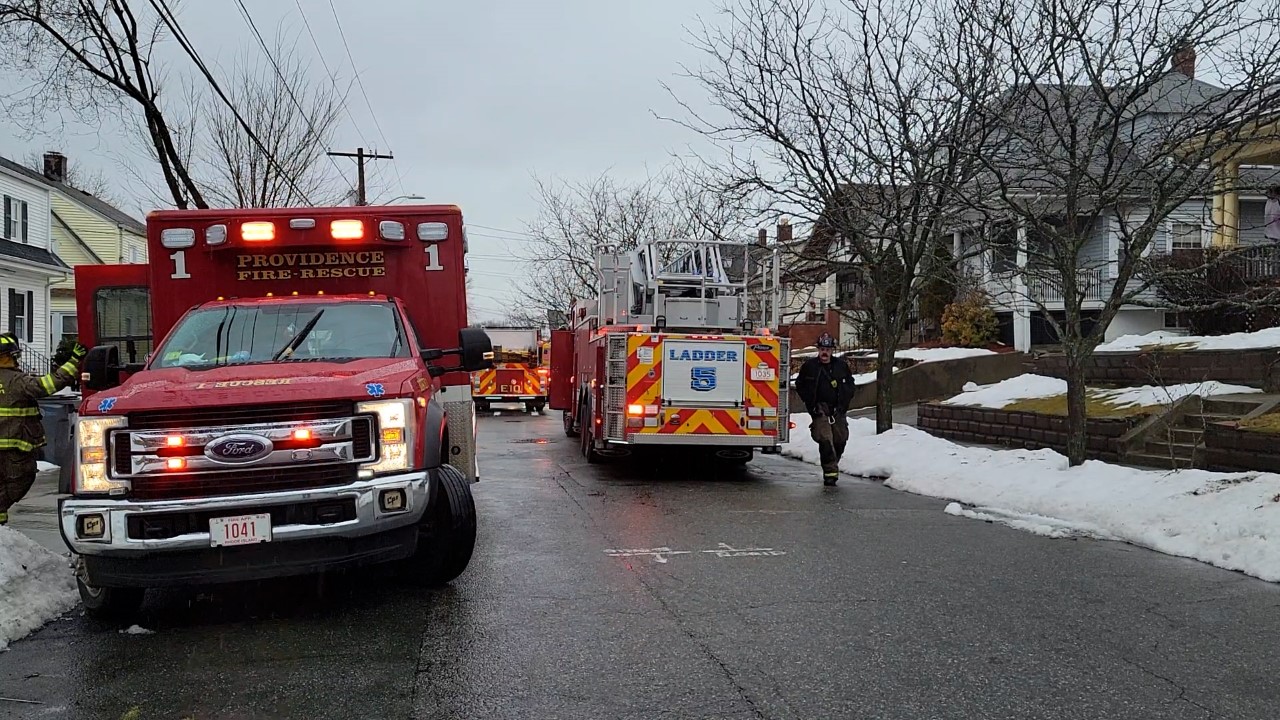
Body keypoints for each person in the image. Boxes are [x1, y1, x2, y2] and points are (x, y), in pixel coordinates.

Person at [0, 334, 85, 525]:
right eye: (13, 356)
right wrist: (73, 362)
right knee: (17, 484)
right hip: (15, 451)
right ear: (7, 356)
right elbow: (48, 385)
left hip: (11, 448)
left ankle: (2, 533)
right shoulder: (17, 381)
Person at [794, 333, 856, 486]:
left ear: (832, 351)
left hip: (838, 410)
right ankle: (830, 474)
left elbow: (850, 385)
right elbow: (800, 385)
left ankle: (833, 462)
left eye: (827, 349)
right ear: (818, 350)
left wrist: (843, 404)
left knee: (840, 440)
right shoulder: (810, 367)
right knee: (825, 440)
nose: (824, 353)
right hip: (819, 409)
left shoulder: (841, 366)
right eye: (822, 349)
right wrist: (811, 404)